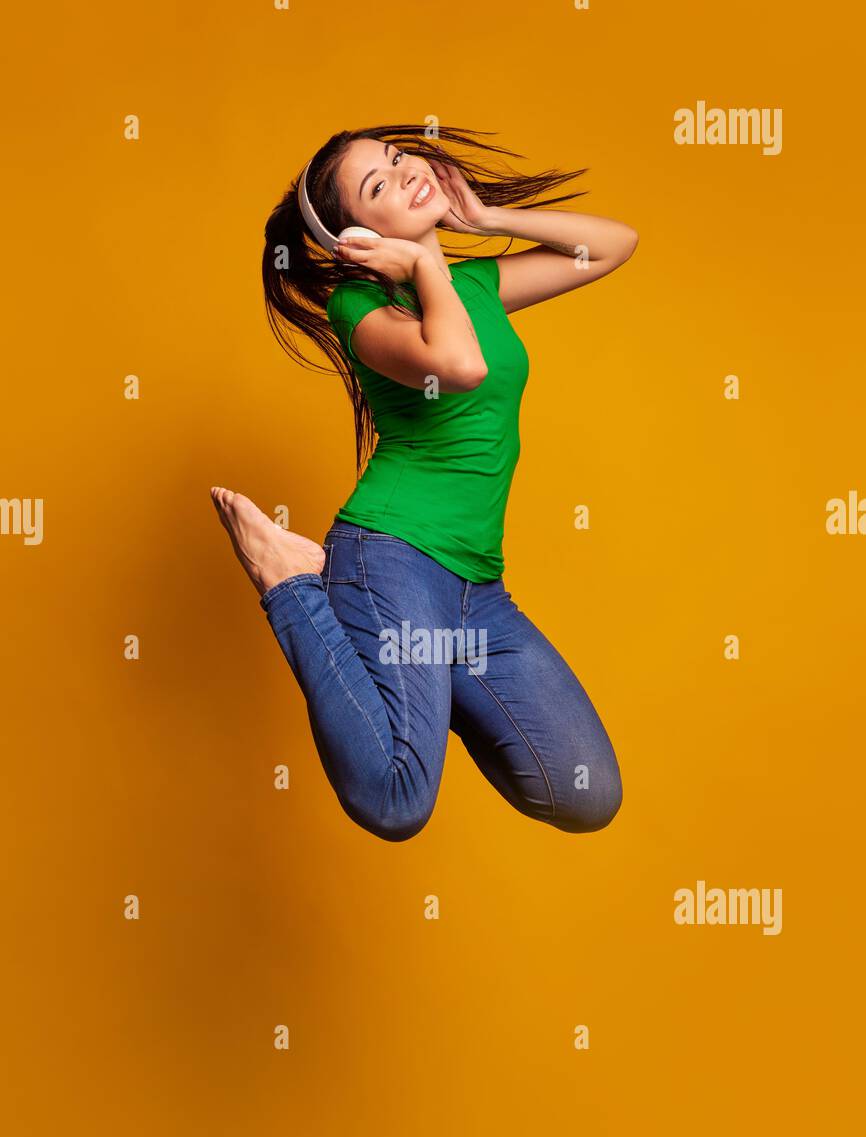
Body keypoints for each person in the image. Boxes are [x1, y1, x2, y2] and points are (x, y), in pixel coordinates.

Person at [211, 125, 638, 841]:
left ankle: (430, 681)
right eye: (378, 185)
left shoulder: (475, 284)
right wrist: (421, 266)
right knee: (396, 800)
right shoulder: (361, 309)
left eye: (399, 158)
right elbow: (459, 367)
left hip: (478, 588)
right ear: (355, 237)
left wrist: (488, 219)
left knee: (582, 793)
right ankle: (290, 585)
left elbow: (613, 246)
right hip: (394, 559)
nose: (406, 174)